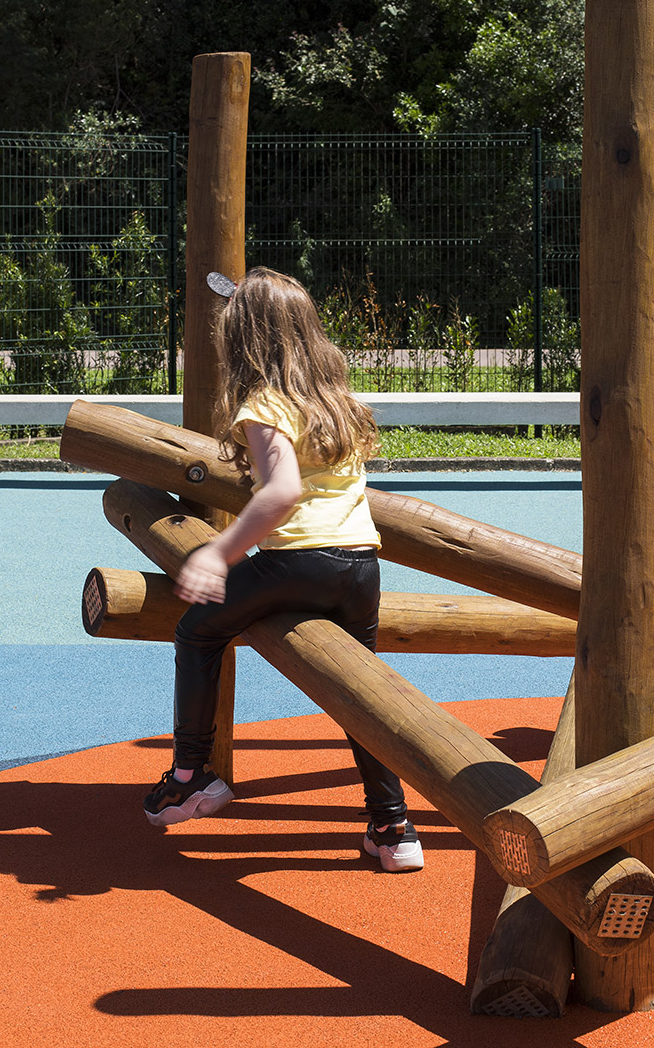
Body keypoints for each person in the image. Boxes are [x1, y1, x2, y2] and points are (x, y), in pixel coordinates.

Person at [142, 266, 423, 873]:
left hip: (297, 562)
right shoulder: (336, 402)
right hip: (359, 567)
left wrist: (219, 554)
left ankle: (190, 774)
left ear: (244, 339)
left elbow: (280, 494)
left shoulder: (264, 403)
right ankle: (393, 826)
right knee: (358, 692)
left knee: (197, 631)